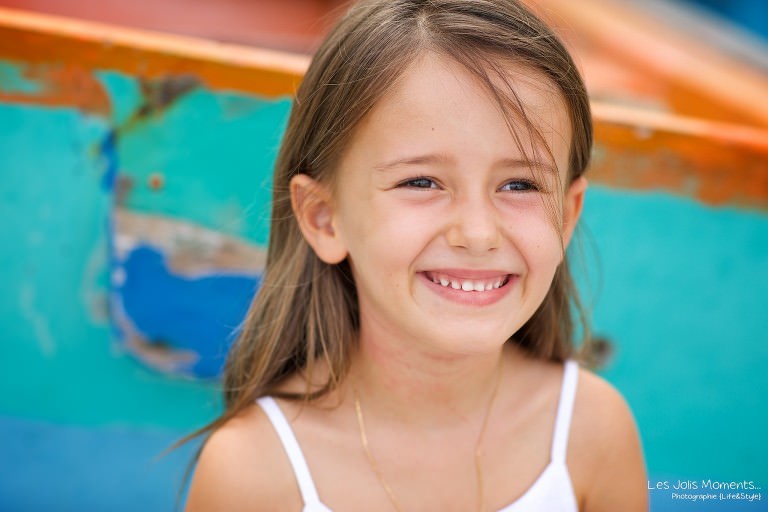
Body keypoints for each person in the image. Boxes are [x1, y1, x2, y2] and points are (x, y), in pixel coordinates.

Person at [183, 0, 648, 510]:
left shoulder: (592, 430)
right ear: (322, 217)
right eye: (421, 181)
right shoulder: (254, 472)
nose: (477, 232)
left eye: (519, 184)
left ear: (566, 215)